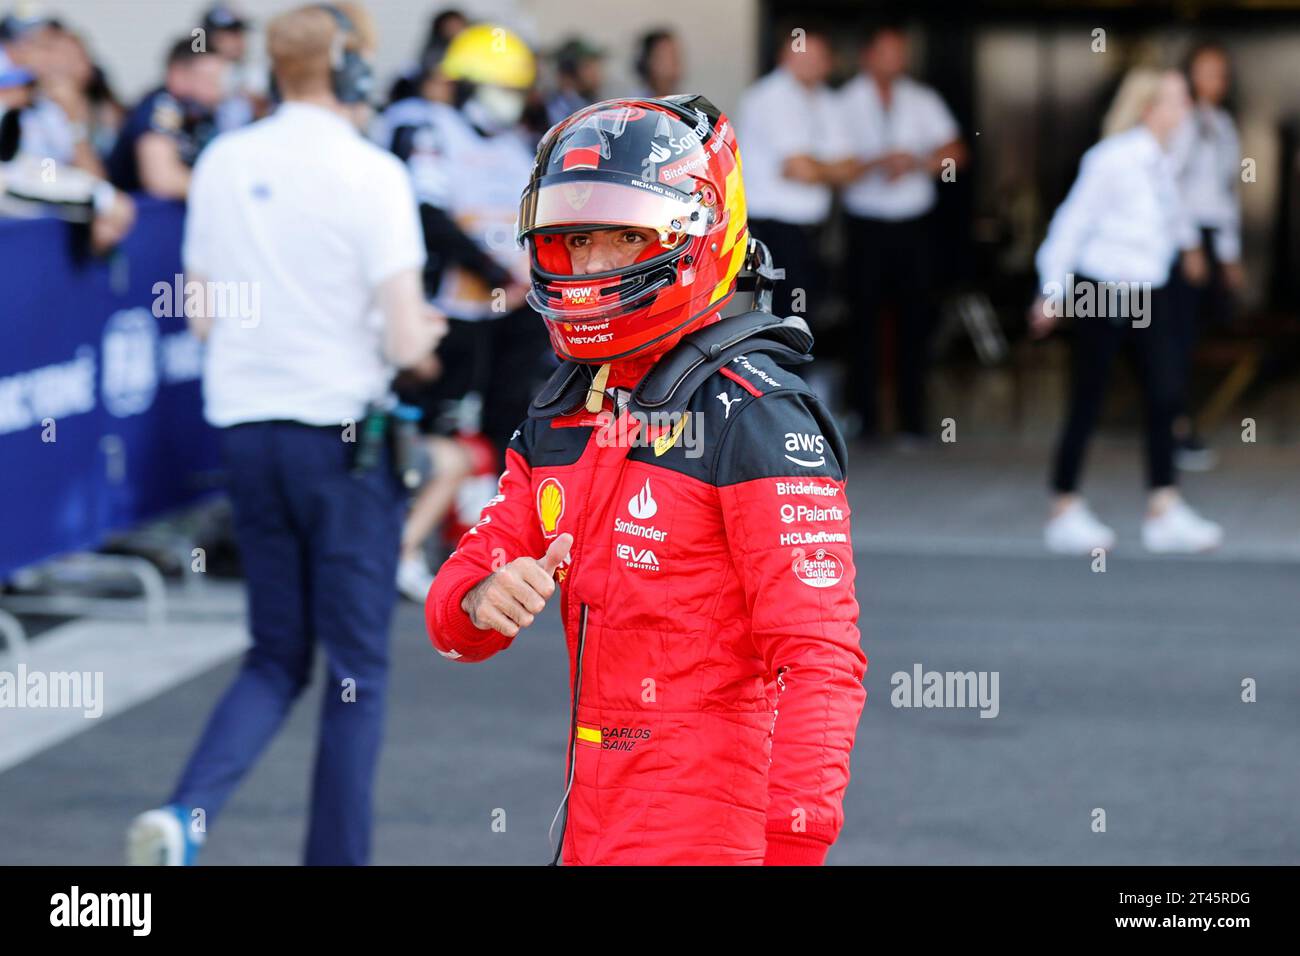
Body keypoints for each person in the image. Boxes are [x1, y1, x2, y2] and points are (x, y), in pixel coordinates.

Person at [425, 96, 867, 865]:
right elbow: (455, 623)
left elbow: (821, 658)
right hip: (590, 826)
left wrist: (793, 849)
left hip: (714, 838)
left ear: (693, 234)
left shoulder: (757, 416)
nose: (594, 266)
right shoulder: (563, 406)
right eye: (574, 240)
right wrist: (481, 596)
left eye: (627, 238)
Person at [127, 2, 446, 866]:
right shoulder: (373, 172)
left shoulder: (226, 160)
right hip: (343, 440)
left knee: (275, 655)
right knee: (356, 672)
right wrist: (426, 340)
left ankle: (185, 817)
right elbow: (405, 334)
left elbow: (197, 315)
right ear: (355, 75)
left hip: (247, 434)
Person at [372, 22, 542, 600]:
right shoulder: (423, 127)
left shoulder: (516, 145)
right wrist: (495, 272)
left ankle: (477, 540)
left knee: (500, 428)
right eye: (497, 88)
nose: (507, 103)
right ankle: (398, 544)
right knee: (420, 432)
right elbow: (427, 215)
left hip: (502, 316)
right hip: (438, 312)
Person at [1030, 68, 1223, 555]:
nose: (1185, 109)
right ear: (1149, 108)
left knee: (1166, 393)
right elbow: (1071, 223)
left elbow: (1170, 214)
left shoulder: (1164, 158)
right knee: (1089, 399)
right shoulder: (1112, 158)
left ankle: (1163, 507)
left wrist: (1191, 247)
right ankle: (1064, 508)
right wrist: (1053, 289)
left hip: (1148, 290)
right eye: (1177, 100)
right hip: (1105, 289)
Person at [838, 24, 967, 442]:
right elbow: (827, 164)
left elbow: (956, 153)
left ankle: (914, 418)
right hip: (866, 223)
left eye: (901, 52)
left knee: (916, 317)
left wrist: (916, 164)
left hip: (913, 224)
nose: (898, 60)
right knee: (863, 318)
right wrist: (876, 163)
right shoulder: (843, 102)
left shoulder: (922, 98)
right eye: (889, 52)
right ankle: (865, 417)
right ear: (868, 55)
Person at [736, 27, 857, 329]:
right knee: (780, 319)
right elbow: (798, 170)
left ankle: (802, 375)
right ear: (784, 57)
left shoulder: (827, 100)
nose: (813, 64)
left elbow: (854, 167)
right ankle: (780, 377)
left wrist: (817, 167)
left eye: (819, 57)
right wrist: (829, 167)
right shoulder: (769, 97)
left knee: (806, 314)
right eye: (805, 56)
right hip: (774, 231)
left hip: (814, 231)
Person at [1169, 42, 1244, 471]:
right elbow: (1171, 187)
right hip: (1186, 238)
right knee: (1177, 333)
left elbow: (1226, 191)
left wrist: (1229, 253)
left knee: (1197, 333)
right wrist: (1189, 245)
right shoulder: (1181, 122)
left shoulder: (1223, 124)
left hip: (1212, 234)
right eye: (1208, 71)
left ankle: (1180, 420)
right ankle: (1174, 427)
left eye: (1221, 72)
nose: (1217, 80)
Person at [106, 38, 226, 198]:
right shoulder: (161, 107)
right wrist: (225, 190)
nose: (217, 93)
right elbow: (162, 179)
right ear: (177, 75)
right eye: (209, 81)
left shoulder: (202, 114)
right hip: (143, 216)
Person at [200, 3, 263, 132]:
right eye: (231, 32)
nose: (239, 39)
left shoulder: (257, 74)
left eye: (241, 32)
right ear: (210, 37)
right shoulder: (193, 78)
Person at [544, 36, 603, 127]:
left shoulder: (591, 103)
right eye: (588, 67)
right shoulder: (552, 112)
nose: (595, 73)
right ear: (570, 73)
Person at [632, 28, 683, 99]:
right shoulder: (632, 105)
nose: (675, 64)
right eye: (665, 57)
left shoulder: (684, 102)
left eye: (675, 56)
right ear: (646, 61)